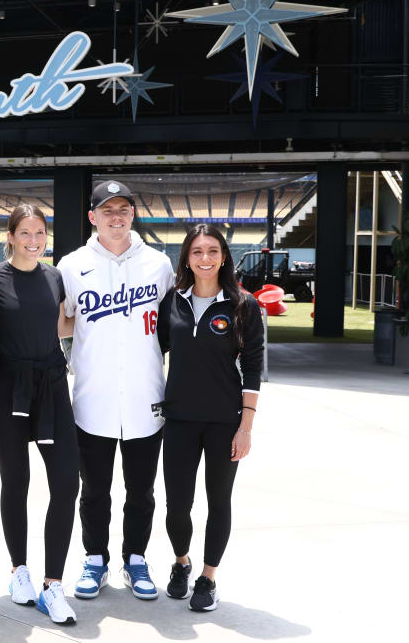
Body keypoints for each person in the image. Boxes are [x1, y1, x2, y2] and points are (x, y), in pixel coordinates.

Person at [57, 180, 176, 602]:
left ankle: (136, 558)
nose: (116, 216)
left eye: (123, 208)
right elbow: (59, 322)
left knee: (141, 490)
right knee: (93, 491)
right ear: (92, 217)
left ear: (132, 215)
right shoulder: (71, 265)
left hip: (146, 398)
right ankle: (95, 558)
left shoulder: (159, 264)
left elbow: (171, 327)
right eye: (107, 210)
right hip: (93, 400)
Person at [155, 224, 263, 613]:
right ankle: (182, 563)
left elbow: (253, 367)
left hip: (224, 421)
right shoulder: (172, 302)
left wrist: (245, 426)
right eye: (197, 251)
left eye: (212, 251)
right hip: (180, 419)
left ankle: (207, 578)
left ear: (223, 256)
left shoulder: (243, 305)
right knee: (177, 505)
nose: (205, 258)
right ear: (186, 257)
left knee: (219, 502)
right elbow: (154, 352)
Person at [0, 204, 79, 625]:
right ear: (10, 235)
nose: (34, 239)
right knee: (16, 479)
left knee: (65, 482)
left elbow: (59, 326)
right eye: (25, 232)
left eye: (40, 232)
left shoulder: (55, 276)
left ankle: (53, 585)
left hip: (52, 384)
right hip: (6, 386)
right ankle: (19, 570)